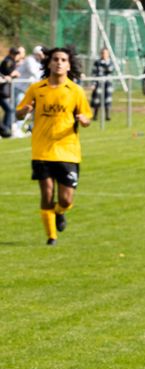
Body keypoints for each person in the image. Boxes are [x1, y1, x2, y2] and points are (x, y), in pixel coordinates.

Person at [15, 46, 92, 246]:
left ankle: (60, 212)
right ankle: (51, 237)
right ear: (48, 63)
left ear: (68, 65)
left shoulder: (75, 91)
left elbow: (87, 116)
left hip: (68, 151)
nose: (59, 62)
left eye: (63, 60)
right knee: (47, 194)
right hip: (42, 150)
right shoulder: (37, 89)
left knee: (66, 199)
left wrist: (84, 119)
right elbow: (18, 112)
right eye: (55, 59)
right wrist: (24, 111)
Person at [90, 47, 115, 122]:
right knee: (97, 99)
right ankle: (95, 115)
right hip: (99, 83)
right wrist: (93, 84)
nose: (104, 55)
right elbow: (94, 73)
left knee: (107, 99)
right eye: (103, 53)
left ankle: (107, 115)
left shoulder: (110, 62)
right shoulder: (97, 62)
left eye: (106, 53)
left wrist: (105, 64)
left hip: (108, 83)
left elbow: (110, 70)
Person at [0, 47, 20, 138]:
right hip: (1, 90)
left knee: (9, 110)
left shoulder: (12, 61)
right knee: (9, 109)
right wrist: (11, 74)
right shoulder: (8, 61)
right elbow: (8, 73)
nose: (16, 55)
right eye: (14, 53)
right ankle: (4, 129)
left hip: (3, 90)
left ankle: (4, 130)